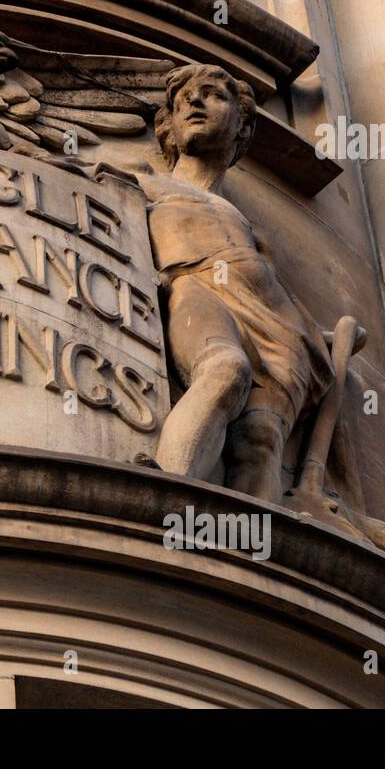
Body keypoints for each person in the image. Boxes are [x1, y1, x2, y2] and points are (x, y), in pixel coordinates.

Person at [139, 64, 332, 502]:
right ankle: (170, 492)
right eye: (185, 97)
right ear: (167, 123)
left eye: (212, 94)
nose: (194, 101)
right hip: (195, 287)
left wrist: (317, 338)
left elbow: (271, 281)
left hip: (279, 326)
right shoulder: (145, 185)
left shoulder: (251, 225)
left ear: (242, 124)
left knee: (263, 440)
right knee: (225, 368)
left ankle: (248, 550)